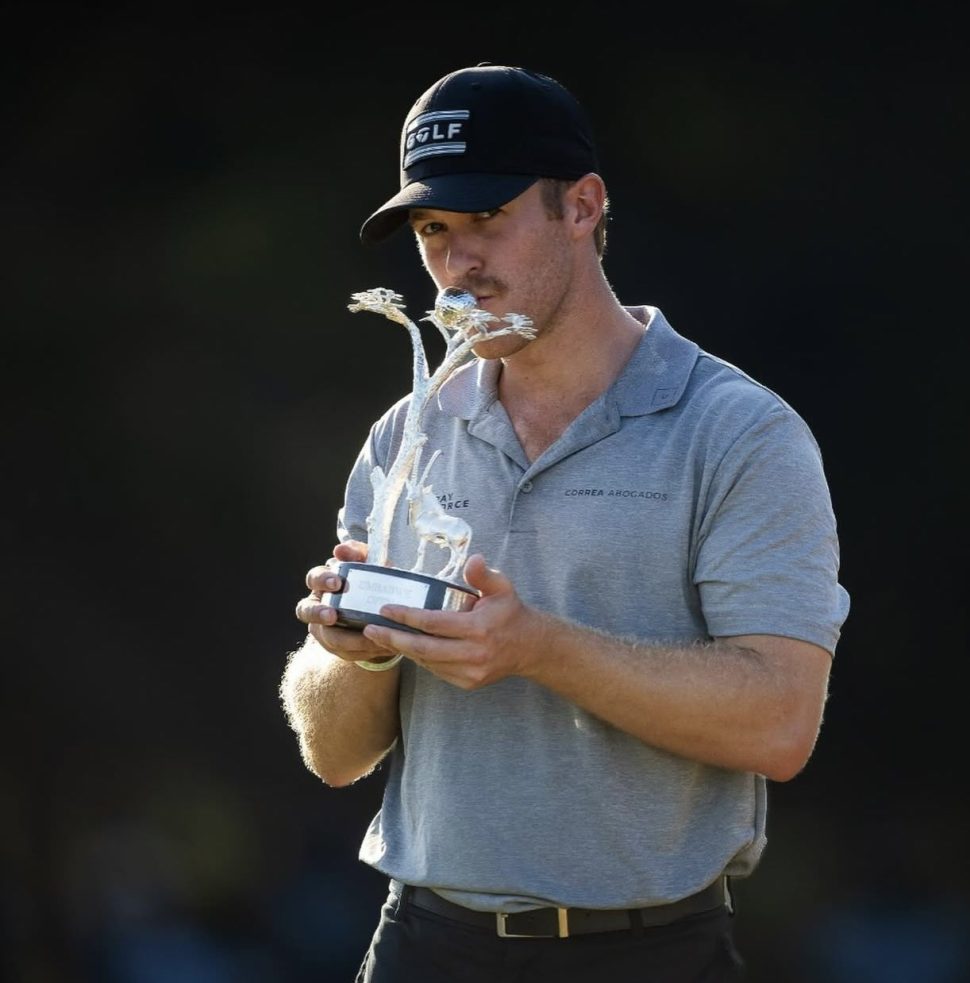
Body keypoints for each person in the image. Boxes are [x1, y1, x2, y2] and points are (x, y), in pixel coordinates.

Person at [281, 62, 850, 983]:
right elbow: (335, 754)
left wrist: (536, 647)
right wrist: (351, 649)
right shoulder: (411, 430)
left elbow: (781, 724)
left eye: (488, 219)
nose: (458, 261)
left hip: (650, 950)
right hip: (427, 944)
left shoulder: (738, 430)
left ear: (581, 206)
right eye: (434, 229)